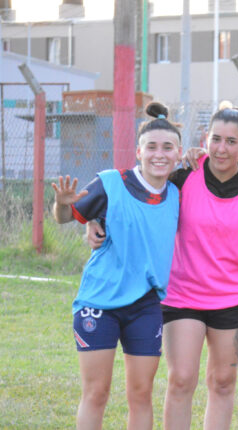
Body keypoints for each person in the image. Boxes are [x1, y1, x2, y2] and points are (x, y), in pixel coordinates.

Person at [52, 102, 181, 430]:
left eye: (168, 147)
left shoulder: (178, 192)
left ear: (179, 154)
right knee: (96, 392)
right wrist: (62, 206)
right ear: (138, 151)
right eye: (151, 147)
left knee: (141, 393)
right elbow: (66, 217)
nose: (159, 155)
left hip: (146, 305)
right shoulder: (110, 183)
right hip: (100, 304)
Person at [159, 103, 238, 430]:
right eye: (216, 139)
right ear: (206, 139)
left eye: (231, 141)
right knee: (182, 379)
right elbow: (141, 196)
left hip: (235, 298)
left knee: (224, 380)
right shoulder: (184, 175)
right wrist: (95, 222)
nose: (221, 148)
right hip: (183, 294)